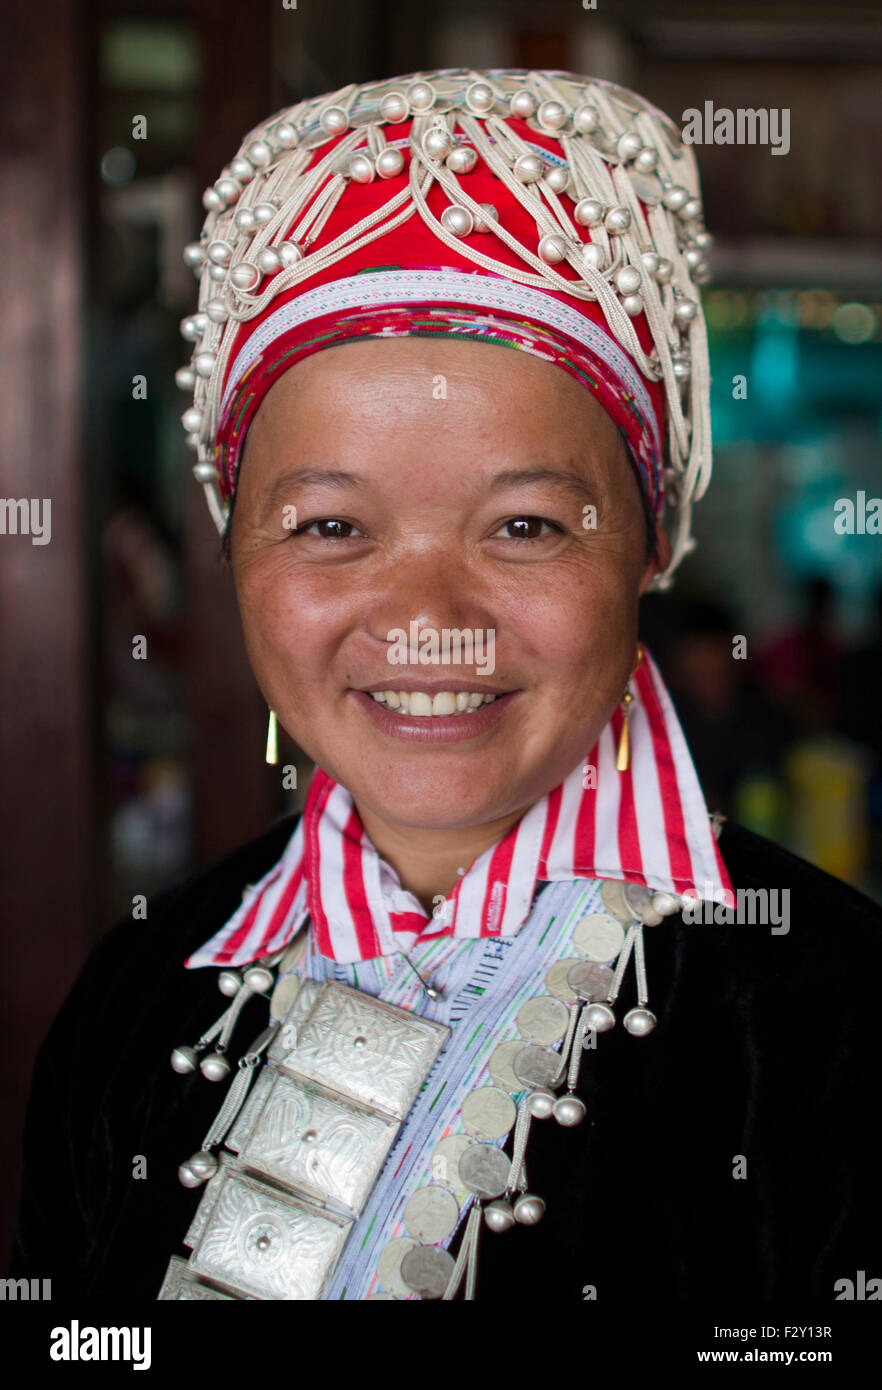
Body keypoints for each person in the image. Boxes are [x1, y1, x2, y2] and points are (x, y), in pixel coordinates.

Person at [9, 68, 881, 1303]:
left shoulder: (831, 1024)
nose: (427, 620)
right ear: (234, 552)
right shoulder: (140, 997)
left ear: (650, 542)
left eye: (523, 527)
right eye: (328, 528)